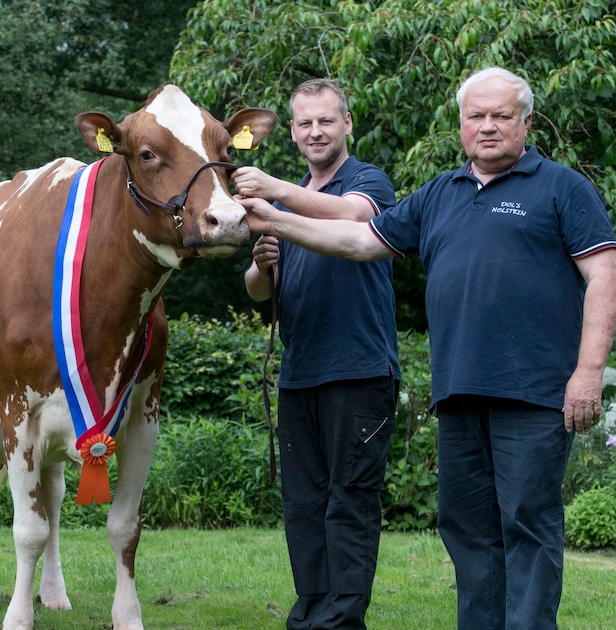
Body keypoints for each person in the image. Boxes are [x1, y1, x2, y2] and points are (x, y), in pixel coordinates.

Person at [239, 67, 616, 629]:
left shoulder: (562, 187)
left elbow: (605, 277)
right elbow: (358, 240)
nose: (487, 126)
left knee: (527, 523)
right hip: (459, 391)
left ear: (526, 123)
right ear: (461, 124)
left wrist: (588, 372)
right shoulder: (440, 194)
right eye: (476, 116)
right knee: (466, 529)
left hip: (534, 392)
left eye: (501, 116)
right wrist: (276, 219)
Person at [233, 78, 400, 629]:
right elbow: (256, 289)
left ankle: (340, 621)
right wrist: (263, 263)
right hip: (300, 373)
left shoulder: (366, 181)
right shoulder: (291, 197)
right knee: (304, 506)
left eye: (326, 120)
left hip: (359, 370)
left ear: (347, 123)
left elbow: (352, 218)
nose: (315, 132)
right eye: (304, 123)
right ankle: (309, 615)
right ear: (293, 131)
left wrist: (272, 190)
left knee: (349, 501)